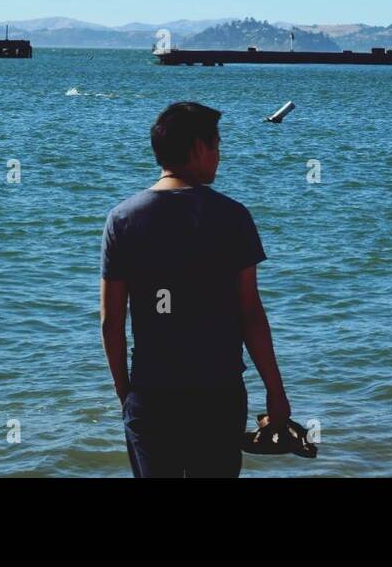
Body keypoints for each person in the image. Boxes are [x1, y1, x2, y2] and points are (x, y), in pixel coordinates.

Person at [100, 101, 291, 477]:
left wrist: (127, 395)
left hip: (153, 394)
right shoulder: (232, 216)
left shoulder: (122, 219)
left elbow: (111, 322)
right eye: (217, 146)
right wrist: (275, 390)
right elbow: (250, 313)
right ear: (199, 148)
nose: (219, 156)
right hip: (217, 395)